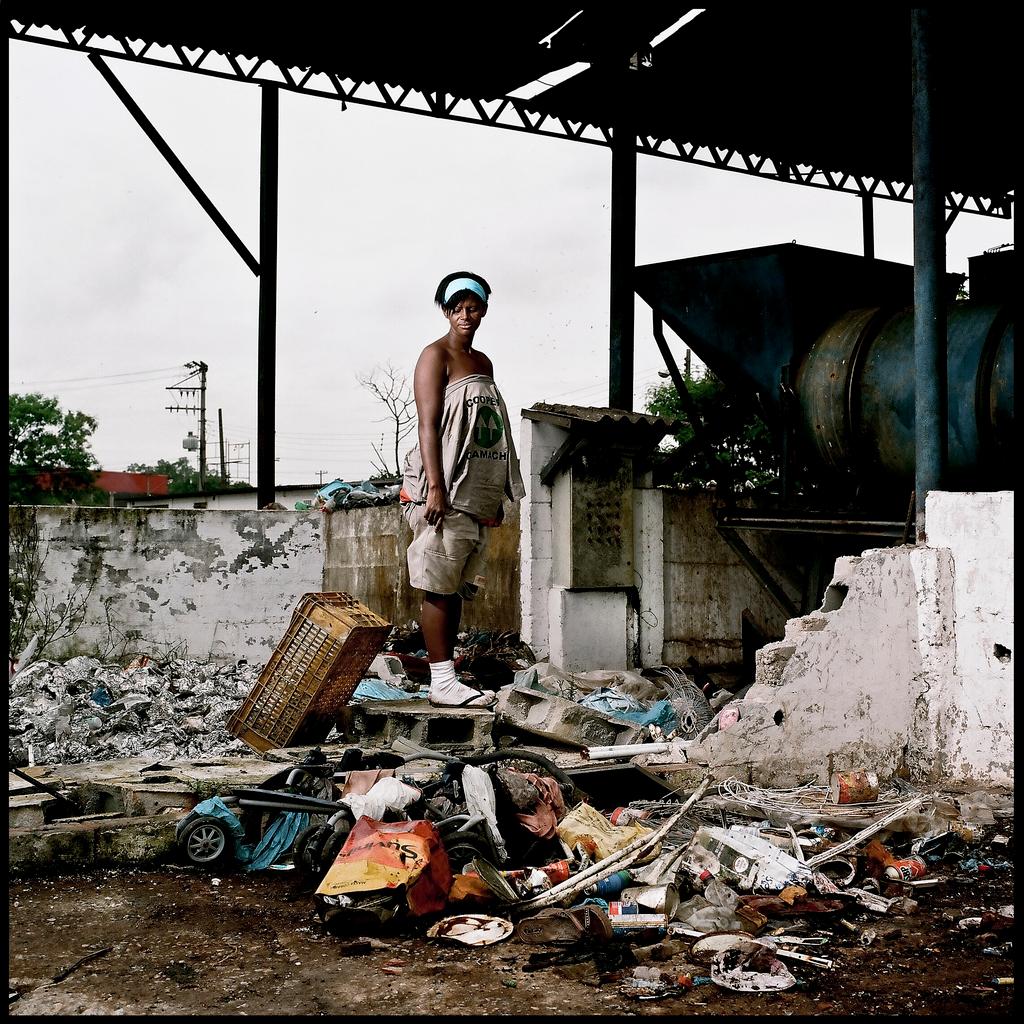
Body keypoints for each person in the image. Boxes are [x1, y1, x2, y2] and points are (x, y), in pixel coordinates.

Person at [400, 271, 525, 707]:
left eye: (473, 307)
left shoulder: (483, 362)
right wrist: (435, 486)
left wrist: (494, 497)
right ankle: (441, 681)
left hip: (473, 497)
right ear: (446, 311)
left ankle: (447, 679)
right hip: (444, 492)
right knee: (438, 583)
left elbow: (485, 434)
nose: (465, 315)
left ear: (484, 310)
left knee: (453, 587)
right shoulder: (435, 356)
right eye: (457, 308)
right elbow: (428, 425)